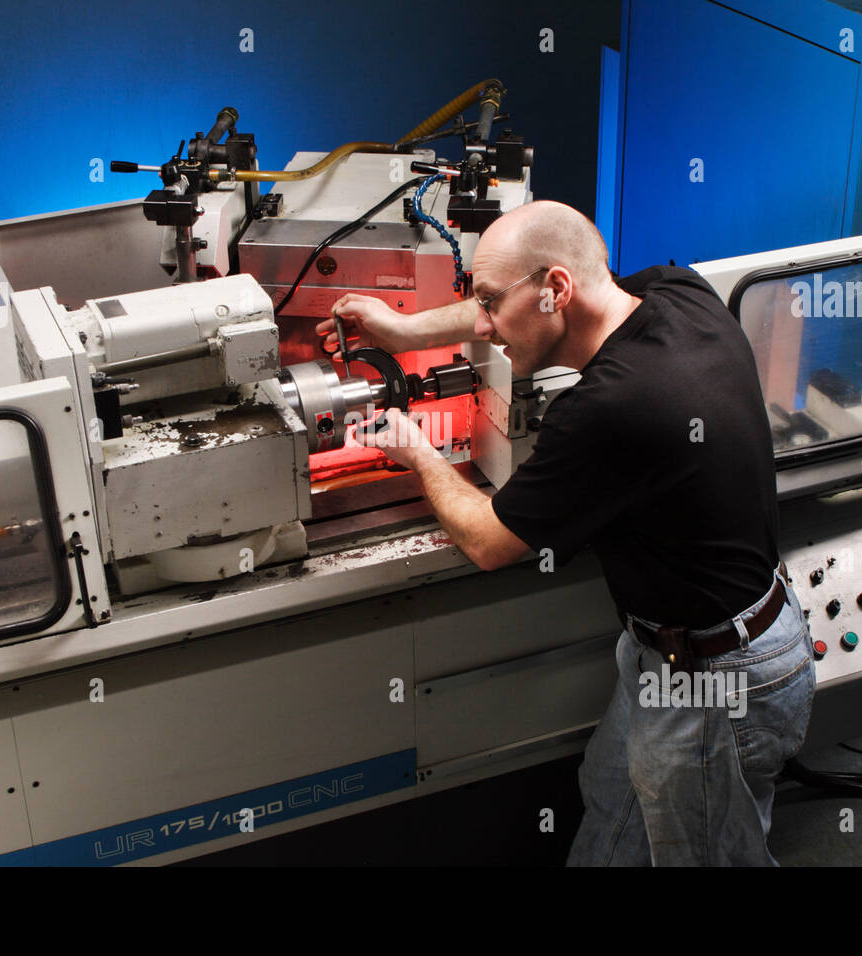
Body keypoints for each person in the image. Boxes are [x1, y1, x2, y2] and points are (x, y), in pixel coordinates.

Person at [316, 199, 814, 865]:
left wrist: (417, 452)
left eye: (492, 301)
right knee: (612, 799)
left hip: (715, 680)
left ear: (556, 290)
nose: (485, 324)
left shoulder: (608, 408)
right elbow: (508, 312)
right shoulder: (678, 292)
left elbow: (489, 541)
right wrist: (401, 332)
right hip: (676, 652)